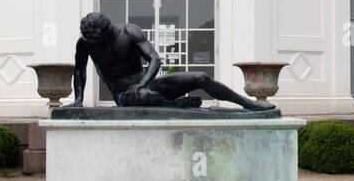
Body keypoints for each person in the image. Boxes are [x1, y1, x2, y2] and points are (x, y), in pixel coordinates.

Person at [72, 11, 274, 110]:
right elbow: (80, 71)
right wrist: (78, 101)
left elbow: (155, 60)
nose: (99, 43)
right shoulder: (86, 43)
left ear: (108, 29)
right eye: (95, 40)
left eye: (102, 38)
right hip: (125, 96)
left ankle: (248, 104)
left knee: (201, 77)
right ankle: (176, 106)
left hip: (148, 84)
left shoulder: (129, 32)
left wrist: (142, 84)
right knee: (143, 97)